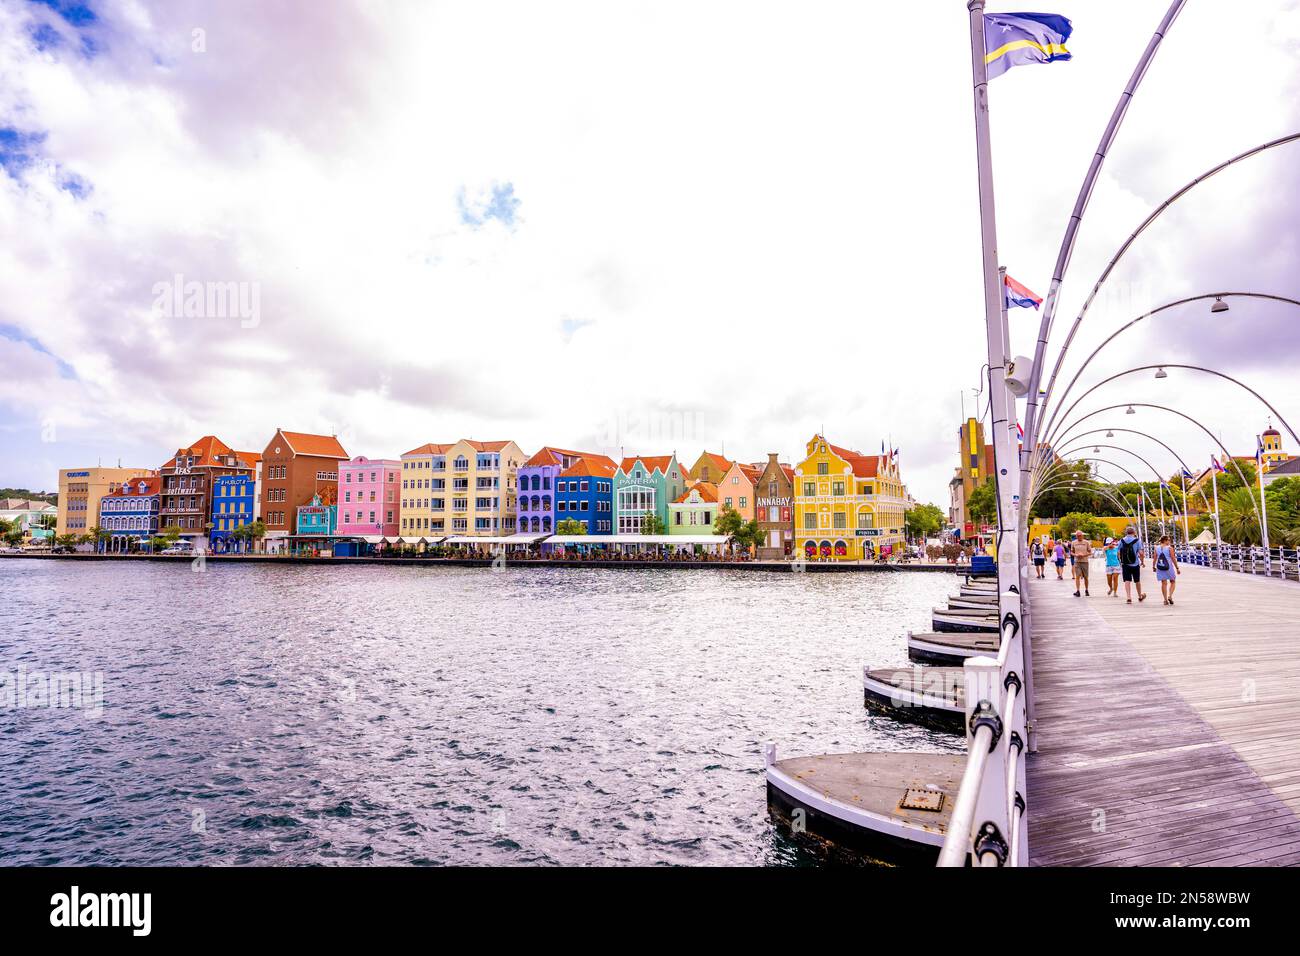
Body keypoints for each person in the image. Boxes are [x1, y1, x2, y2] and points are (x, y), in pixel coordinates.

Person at [1119, 525, 1146, 603]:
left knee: (1127, 580)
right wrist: (1142, 562)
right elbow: (1141, 553)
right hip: (1135, 563)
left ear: (1126, 533)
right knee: (1137, 580)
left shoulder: (1122, 540)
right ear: (1134, 532)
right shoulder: (1137, 541)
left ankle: (1128, 597)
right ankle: (1140, 596)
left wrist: (1120, 561)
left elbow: (1118, 552)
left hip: (1125, 564)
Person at [1154, 533, 1180, 604]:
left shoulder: (1156, 548)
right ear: (1165, 541)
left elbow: (1155, 558)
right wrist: (1177, 568)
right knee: (1173, 581)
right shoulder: (1170, 548)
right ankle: (1170, 596)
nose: (1169, 541)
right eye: (1168, 540)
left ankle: (1165, 600)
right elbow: (1173, 558)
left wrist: (1153, 566)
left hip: (1160, 566)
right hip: (1168, 567)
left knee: (1163, 583)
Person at [1070, 530, 1092, 597]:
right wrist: (1076, 555)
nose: (1079, 536)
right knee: (1077, 576)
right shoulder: (1073, 542)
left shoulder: (1086, 542)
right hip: (1077, 562)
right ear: (1076, 536)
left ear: (1082, 535)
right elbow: (1071, 552)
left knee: (1086, 577)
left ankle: (1086, 590)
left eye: (1080, 535)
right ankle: (1078, 591)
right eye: (1077, 535)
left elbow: (1090, 552)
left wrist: (1084, 555)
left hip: (1085, 561)